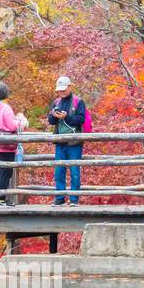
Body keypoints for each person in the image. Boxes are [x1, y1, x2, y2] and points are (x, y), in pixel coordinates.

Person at [0, 81, 28, 205]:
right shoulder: (5, 107)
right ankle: (1, 199)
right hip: (5, 144)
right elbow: (11, 126)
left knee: (2, 170)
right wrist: (21, 121)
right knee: (6, 171)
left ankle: (0, 199)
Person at [47, 75, 87, 205]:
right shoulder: (56, 102)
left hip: (74, 142)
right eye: (59, 90)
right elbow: (51, 121)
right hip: (60, 141)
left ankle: (74, 199)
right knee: (59, 171)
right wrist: (54, 116)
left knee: (74, 170)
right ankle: (59, 198)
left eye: (63, 89)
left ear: (70, 87)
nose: (61, 92)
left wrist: (67, 116)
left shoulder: (78, 101)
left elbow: (81, 119)